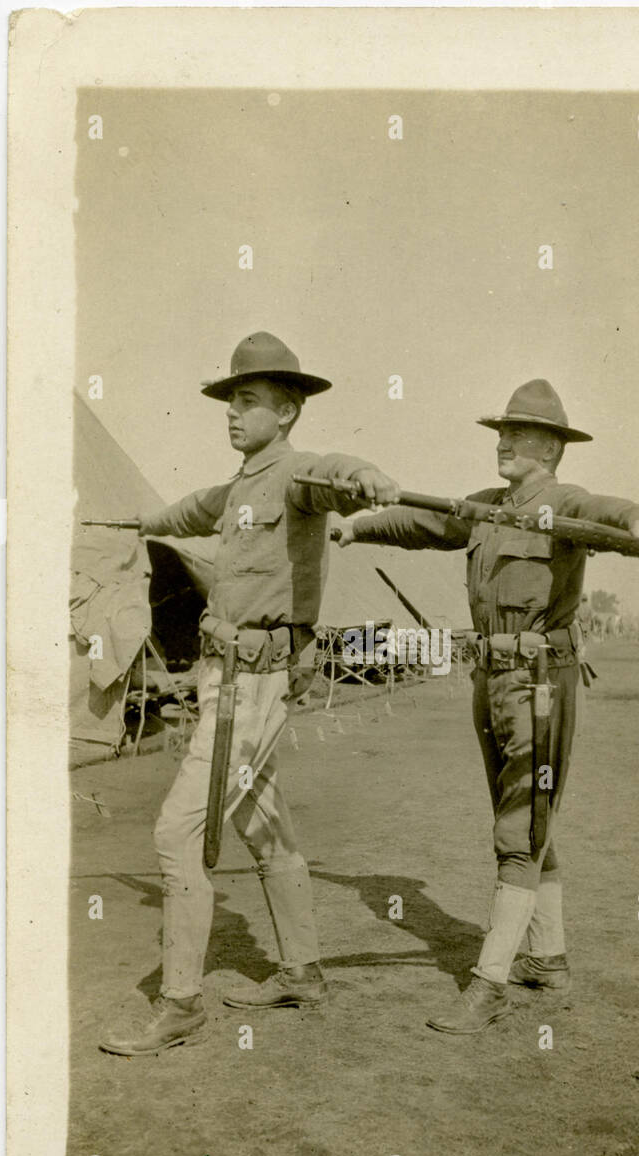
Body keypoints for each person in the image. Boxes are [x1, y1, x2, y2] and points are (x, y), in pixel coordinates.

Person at [337, 378, 639, 1034]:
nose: (504, 442)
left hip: (540, 684)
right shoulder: (486, 507)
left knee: (518, 830)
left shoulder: (561, 502)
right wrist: (357, 528)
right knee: (527, 824)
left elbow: (604, 510)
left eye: (519, 434)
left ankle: (488, 982)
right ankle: (546, 961)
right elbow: (420, 522)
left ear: (551, 447)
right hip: (491, 681)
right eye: (500, 433)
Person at [99, 332, 399, 1056]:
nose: (231, 414)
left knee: (177, 833)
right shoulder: (236, 490)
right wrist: (137, 522)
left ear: (288, 411)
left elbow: (339, 472)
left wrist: (372, 478)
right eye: (230, 401)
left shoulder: (298, 477)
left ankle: (179, 1003)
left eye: (247, 401)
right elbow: (183, 513)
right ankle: (303, 973)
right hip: (224, 677)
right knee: (265, 827)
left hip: (254, 685)